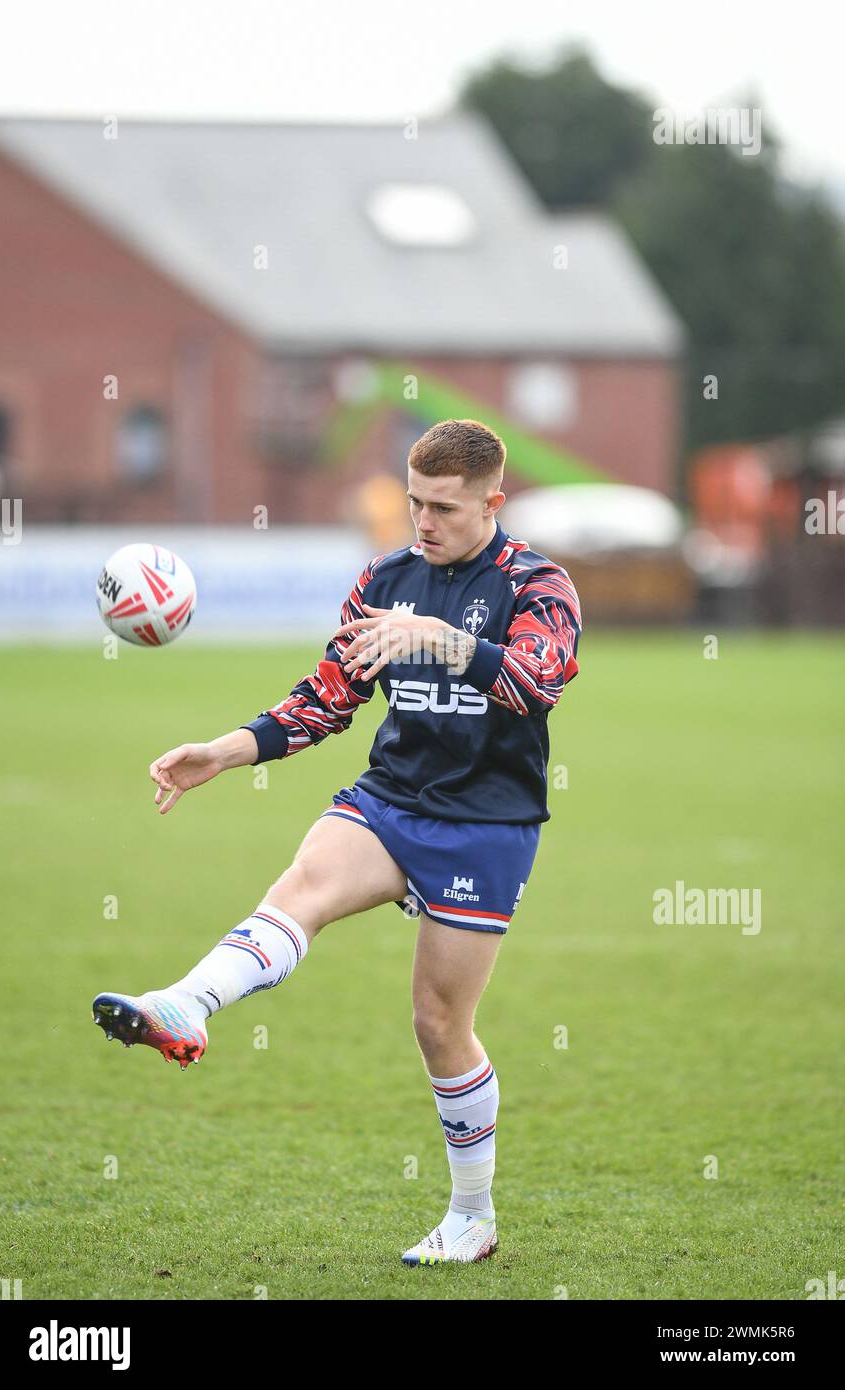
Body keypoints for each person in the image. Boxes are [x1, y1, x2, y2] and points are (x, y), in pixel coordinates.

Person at [92, 417, 582, 1266]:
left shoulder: (539, 585)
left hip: (487, 824)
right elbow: (325, 698)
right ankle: (189, 1006)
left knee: (438, 1024)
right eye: (413, 503)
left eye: (443, 509)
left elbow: (538, 680)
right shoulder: (386, 577)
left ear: (493, 503)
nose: (422, 523)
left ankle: (472, 1218)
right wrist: (227, 749)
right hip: (391, 800)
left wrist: (437, 638)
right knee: (305, 883)